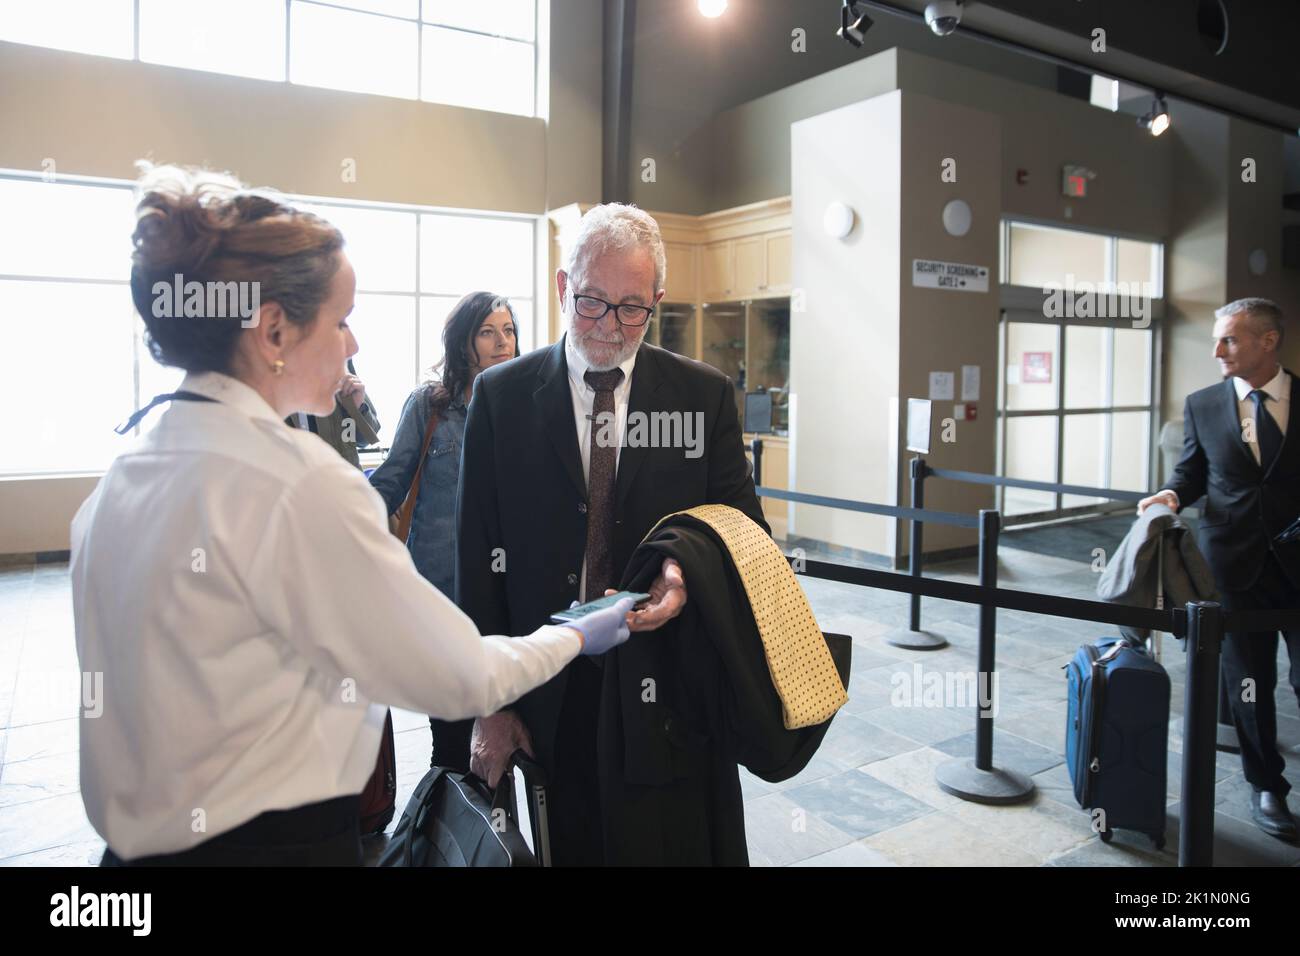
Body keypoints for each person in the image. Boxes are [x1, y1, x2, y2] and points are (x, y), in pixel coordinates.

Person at [70, 164, 634, 866]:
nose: (354, 344)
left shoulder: (118, 481)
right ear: (273, 330)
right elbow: (462, 676)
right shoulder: (292, 484)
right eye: (341, 320)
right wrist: (579, 634)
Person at [455, 202, 769, 865]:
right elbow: (477, 567)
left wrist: (686, 568)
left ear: (657, 301)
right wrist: (490, 704)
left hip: (670, 691)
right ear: (565, 287)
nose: (609, 325)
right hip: (551, 690)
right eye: (593, 302)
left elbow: (748, 537)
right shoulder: (503, 399)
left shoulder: (701, 396)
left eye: (632, 308)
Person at [1139, 297, 1300, 842]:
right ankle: (1267, 788)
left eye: (1229, 339)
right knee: (1248, 683)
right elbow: (1192, 472)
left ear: (1268, 341)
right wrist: (1170, 492)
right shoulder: (1204, 404)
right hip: (1233, 566)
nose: (1217, 351)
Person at [369, 292, 519, 766]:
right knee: (451, 740)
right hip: (439, 590)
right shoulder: (429, 405)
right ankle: (447, 832)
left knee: (506, 732)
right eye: (487, 332)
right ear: (463, 341)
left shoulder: (525, 405)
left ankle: (497, 835)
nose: (502, 342)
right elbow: (392, 481)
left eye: (509, 330)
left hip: (507, 594)